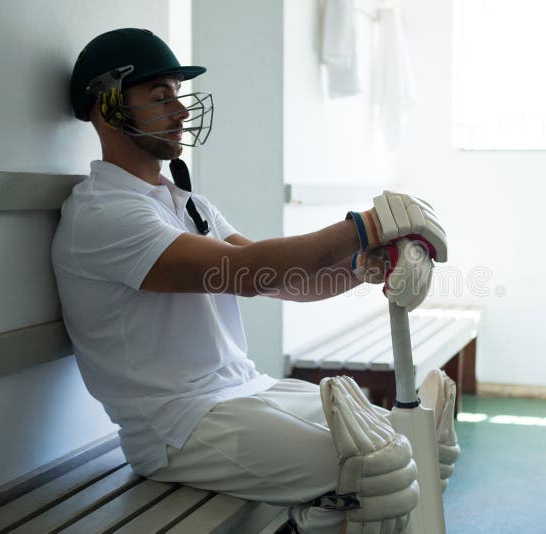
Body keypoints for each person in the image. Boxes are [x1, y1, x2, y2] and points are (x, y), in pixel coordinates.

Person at [52, 28, 448, 533]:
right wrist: (367, 226)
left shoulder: (185, 203)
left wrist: (366, 265)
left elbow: (284, 282)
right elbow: (243, 273)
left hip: (245, 390)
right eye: (161, 96)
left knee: (417, 447)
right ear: (107, 108)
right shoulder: (104, 214)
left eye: (177, 94)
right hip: (178, 425)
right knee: (378, 468)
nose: (181, 110)